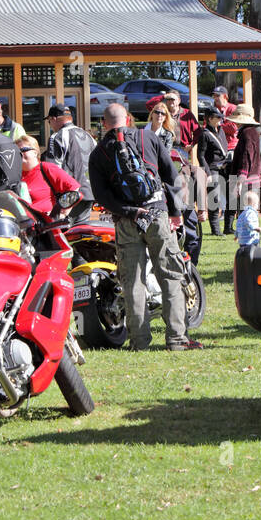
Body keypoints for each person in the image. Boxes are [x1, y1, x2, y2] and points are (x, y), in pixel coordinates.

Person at [88, 102, 201, 351]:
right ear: (128, 119)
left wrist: (128, 211)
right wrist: (174, 213)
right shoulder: (147, 136)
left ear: (104, 124)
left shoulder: (98, 154)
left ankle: (139, 342)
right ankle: (177, 339)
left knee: (132, 282)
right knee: (170, 275)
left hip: (127, 221)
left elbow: (102, 196)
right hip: (157, 214)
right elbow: (171, 176)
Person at [15, 133, 80, 215]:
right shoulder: (15, 174)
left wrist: (63, 213)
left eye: (23, 150)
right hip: (24, 223)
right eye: (17, 151)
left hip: (46, 223)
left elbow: (74, 188)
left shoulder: (46, 168)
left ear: (35, 152)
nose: (20, 154)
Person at [45, 103, 97, 194]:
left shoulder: (57, 136)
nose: (50, 125)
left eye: (49, 121)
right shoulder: (88, 135)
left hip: (71, 194)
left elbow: (52, 169)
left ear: (54, 119)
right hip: (91, 191)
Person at [225, 104, 261, 232]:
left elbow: (247, 157)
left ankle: (247, 236)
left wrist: (241, 179)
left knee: (246, 212)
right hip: (253, 178)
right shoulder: (252, 133)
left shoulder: (247, 133)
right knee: (249, 211)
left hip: (247, 181)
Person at [198, 107, 229, 234]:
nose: (221, 120)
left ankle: (228, 227)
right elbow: (200, 155)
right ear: (210, 119)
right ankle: (216, 230)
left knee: (229, 197)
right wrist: (208, 173)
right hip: (213, 169)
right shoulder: (205, 134)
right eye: (218, 117)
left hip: (225, 167)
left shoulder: (221, 131)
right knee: (214, 199)